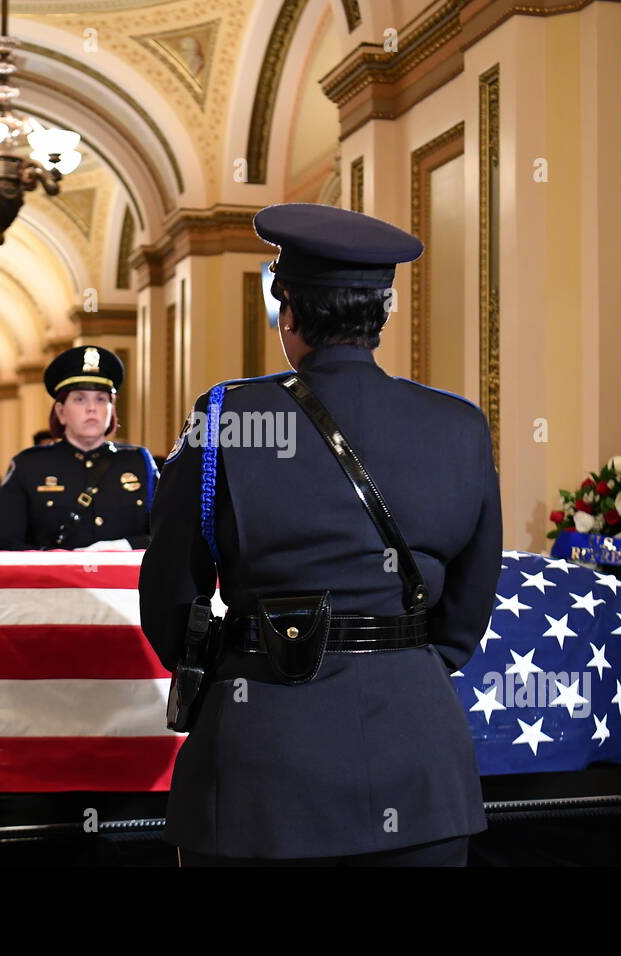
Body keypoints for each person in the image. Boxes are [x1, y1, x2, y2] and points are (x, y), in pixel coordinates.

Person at [138, 203, 503, 866]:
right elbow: (465, 616)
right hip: (420, 763)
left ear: (290, 314)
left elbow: (168, 598)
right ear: (381, 315)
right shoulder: (460, 425)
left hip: (265, 766)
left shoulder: (225, 417)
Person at [0, 346, 158, 550]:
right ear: (60, 411)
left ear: (111, 409)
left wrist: (127, 545)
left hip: (124, 581)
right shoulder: (28, 466)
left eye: (101, 399)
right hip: (53, 581)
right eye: (80, 399)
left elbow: (171, 533)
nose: (92, 408)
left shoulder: (138, 462)